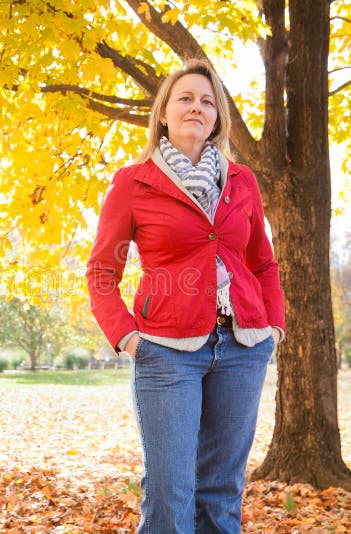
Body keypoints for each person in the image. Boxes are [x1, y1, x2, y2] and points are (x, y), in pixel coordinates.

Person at [85, 59, 285, 534]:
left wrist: (272, 328)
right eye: (186, 98)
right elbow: (101, 271)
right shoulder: (132, 183)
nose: (197, 107)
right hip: (166, 352)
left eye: (207, 101)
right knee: (171, 492)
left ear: (217, 117)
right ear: (163, 114)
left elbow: (262, 262)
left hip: (242, 347)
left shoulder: (242, 181)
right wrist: (129, 338)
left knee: (221, 492)